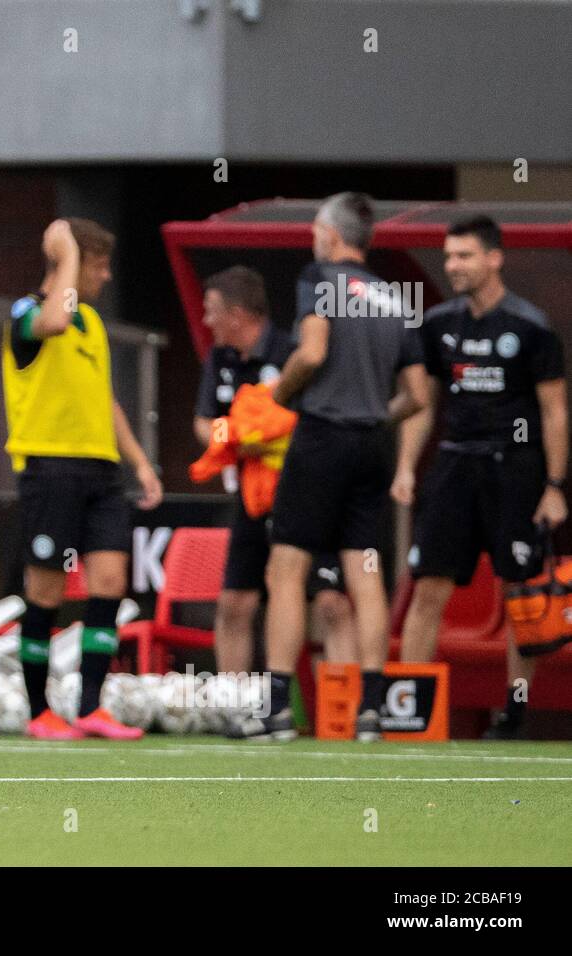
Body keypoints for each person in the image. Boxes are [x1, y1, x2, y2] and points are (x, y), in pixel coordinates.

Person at [236, 192, 430, 741]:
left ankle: (275, 710)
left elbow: (313, 353)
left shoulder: (320, 278)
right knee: (365, 574)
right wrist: (375, 415)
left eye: (316, 228)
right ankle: (371, 709)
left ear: (332, 235)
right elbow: (417, 394)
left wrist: (280, 393)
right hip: (373, 444)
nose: (313, 238)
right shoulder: (396, 298)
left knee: (287, 569)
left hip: (321, 437)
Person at [393, 214, 567, 739]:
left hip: (515, 470)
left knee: (522, 595)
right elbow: (423, 403)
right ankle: (413, 711)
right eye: (448, 256)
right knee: (429, 587)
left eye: (464, 255)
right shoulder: (440, 324)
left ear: (494, 258)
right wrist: (405, 465)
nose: (453, 266)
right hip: (453, 467)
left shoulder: (531, 326)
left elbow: (554, 411)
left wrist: (554, 487)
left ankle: (512, 712)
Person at [4, 218, 164, 740]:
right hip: (49, 467)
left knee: (111, 585)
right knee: (46, 589)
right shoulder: (27, 312)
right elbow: (52, 321)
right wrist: (67, 255)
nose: (108, 274)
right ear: (68, 261)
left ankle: (92, 705)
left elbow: (105, 399)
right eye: (98, 263)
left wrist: (139, 461)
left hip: (102, 471)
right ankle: (37, 711)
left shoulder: (91, 323)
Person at [193, 266, 357, 682]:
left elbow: (311, 419)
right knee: (235, 602)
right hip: (250, 497)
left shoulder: (293, 353)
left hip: (304, 494)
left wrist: (269, 437)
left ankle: (346, 710)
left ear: (237, 313)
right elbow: (204, 423)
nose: (207, 321)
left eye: (212, 311)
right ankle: (235, 701)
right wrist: (231, 437)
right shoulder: (220, 358)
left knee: (330, 603)